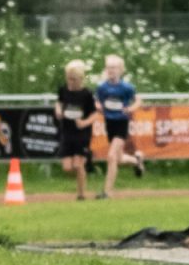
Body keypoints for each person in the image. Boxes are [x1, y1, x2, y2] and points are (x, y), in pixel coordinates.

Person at [96, 54, 143, 199]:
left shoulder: (126, 87)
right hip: (109, 123)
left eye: (114, 68)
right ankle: (137, 160)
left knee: (111, 156)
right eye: (109, 68)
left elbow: (138, 100)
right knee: (119, 158)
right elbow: (97, 101)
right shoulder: (102, 87)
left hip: (121, 123)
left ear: (121, 70)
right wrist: (98, 106)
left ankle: (107, 191)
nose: (111, 71)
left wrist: (131, 108)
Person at [54, 60, 99, 201]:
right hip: (67, 131)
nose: (71, 82)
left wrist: (84, 122)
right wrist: (58, 111)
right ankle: (87, 166)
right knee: (67, 167)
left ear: (80, 79)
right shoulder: (63, 90)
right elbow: (59, 102)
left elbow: (95, 114)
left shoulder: (87, 94)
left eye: (74, 79)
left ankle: (81, 194)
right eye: (68, 78)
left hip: (82, 133)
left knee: (78, 164)